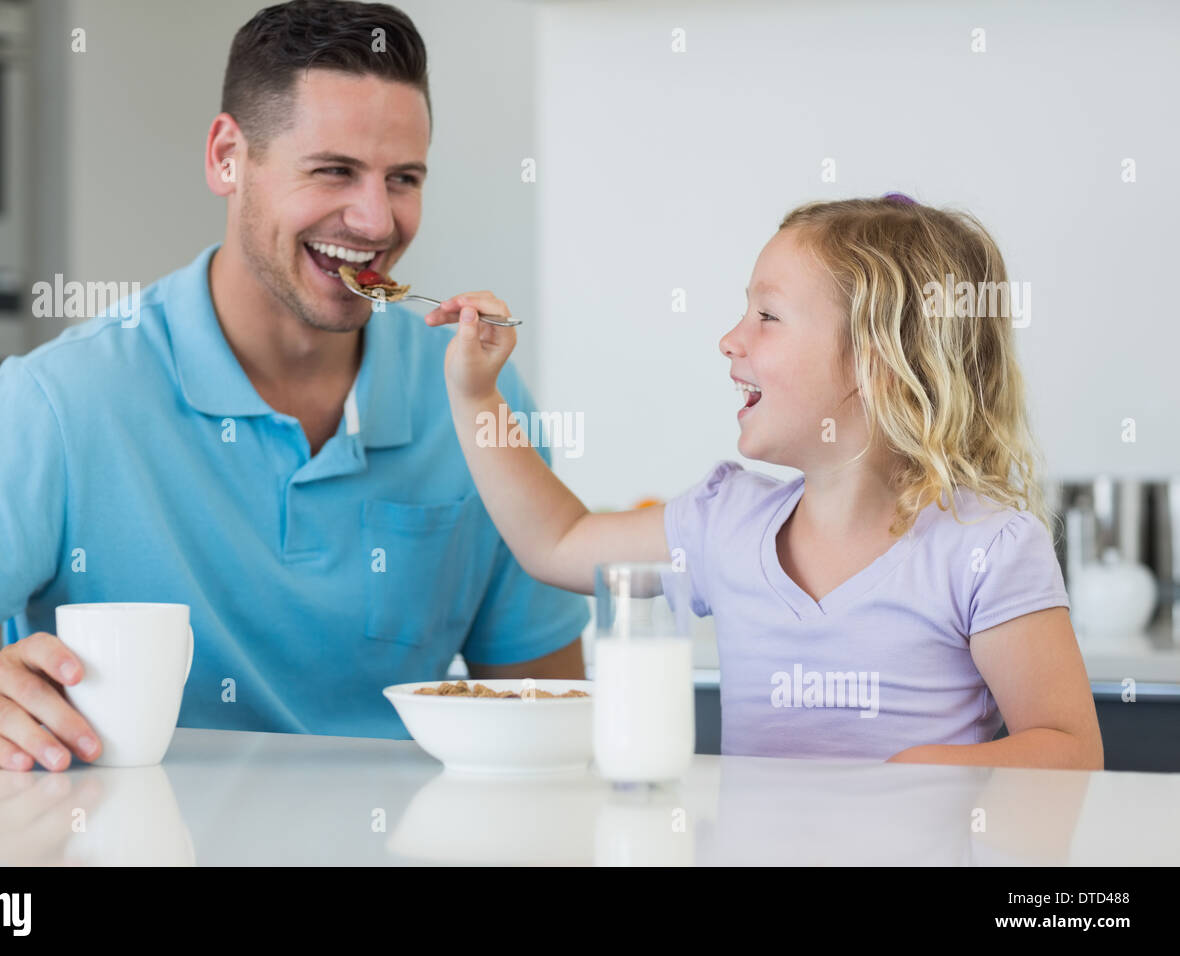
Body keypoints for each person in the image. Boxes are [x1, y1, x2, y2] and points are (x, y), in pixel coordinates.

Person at [0, 0, 588, 771]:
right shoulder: (61, 404)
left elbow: (543, 714)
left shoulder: (477, 396)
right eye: (333, 171)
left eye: (404, 178)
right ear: (228, 157)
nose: (377, 220)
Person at [428, 194, 1104, 769]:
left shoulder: (985, 548)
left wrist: (921, 774)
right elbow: (557, 540)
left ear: (879, 363)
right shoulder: (723, 524)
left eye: (767, 317)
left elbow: (1070, 749)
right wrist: (477, 397)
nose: (731, 338)